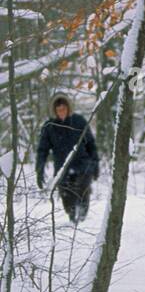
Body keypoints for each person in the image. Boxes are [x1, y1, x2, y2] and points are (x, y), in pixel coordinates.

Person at [35, 93, 100, 223]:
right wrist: (39, 169)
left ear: (68, 108)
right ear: (55, 111)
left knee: (82, 192)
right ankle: (72, 218)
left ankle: (82, 220)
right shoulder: (50, 126)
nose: (61, 112)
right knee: (67, 197)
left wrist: (95, 164)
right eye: (58, 110)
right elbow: (42, 150)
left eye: (64, 109)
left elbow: (91, 144)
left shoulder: (79, 121)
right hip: (62, 168)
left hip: (82, 165)